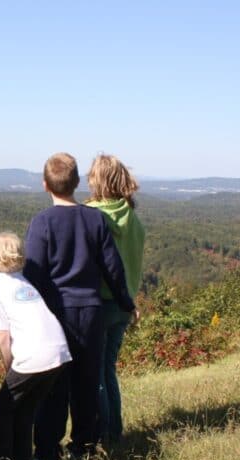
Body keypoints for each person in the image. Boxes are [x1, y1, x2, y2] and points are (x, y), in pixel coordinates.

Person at [23, 152, 134, 460]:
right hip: (90, 312)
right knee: (86, 383)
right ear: (77, 183)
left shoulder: (42, 222)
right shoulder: (95, 219)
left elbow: (32, 275)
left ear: (46, 185)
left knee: (53, 385)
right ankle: (84, 447)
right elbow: (113, 270)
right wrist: (127, 303)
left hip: (54, 314)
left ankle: (46, 452)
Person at [0, 233, 73, 460]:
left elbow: (3, 337)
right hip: (58, 352)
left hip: (32, 355)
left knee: (3, 409)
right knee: (25, 411)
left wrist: (9, 366)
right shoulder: (23, 280)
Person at [85, 154, 146, 444]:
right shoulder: (133, 218)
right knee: (108, 370)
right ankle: (114, 432)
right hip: (124, 304)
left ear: (96, 180)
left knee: (94, 373)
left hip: (99, 303)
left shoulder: (91, 214)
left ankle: (103, 435)